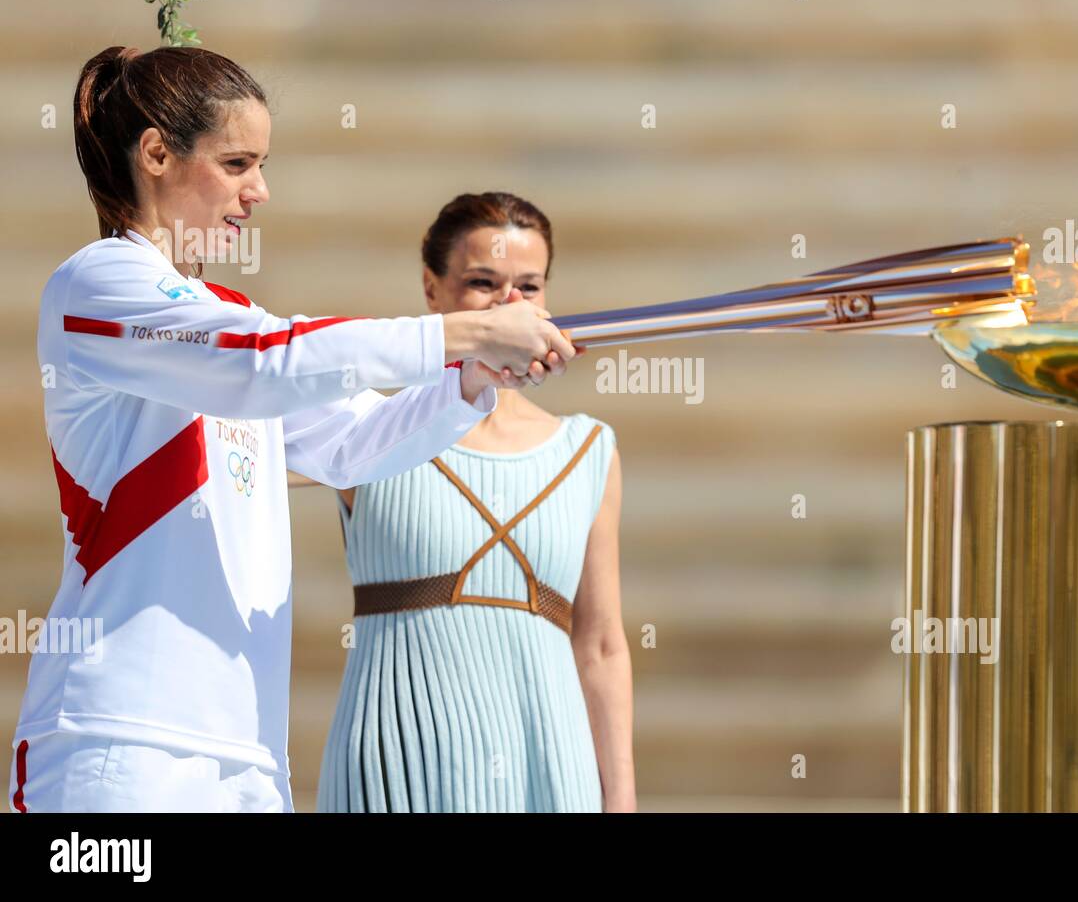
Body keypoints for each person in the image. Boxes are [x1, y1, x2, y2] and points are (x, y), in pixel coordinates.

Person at [8, 46, 576, 813]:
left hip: (246, 752)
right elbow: (267, 363)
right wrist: (468, 336)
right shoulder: (97, 286)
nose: (260, 191)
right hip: (121, 743)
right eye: (238, 163)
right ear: (155, 153)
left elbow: (356, 443)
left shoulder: (230, 320)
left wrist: (470, 383)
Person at [316, 192, 635, 812]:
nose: (510, 307)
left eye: (529, 287)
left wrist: (619, 802)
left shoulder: (589, 450)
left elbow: (600, 646)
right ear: (433, 291)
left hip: (547, 756)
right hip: (400, 758)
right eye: (483, 283)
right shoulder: (369, 431)